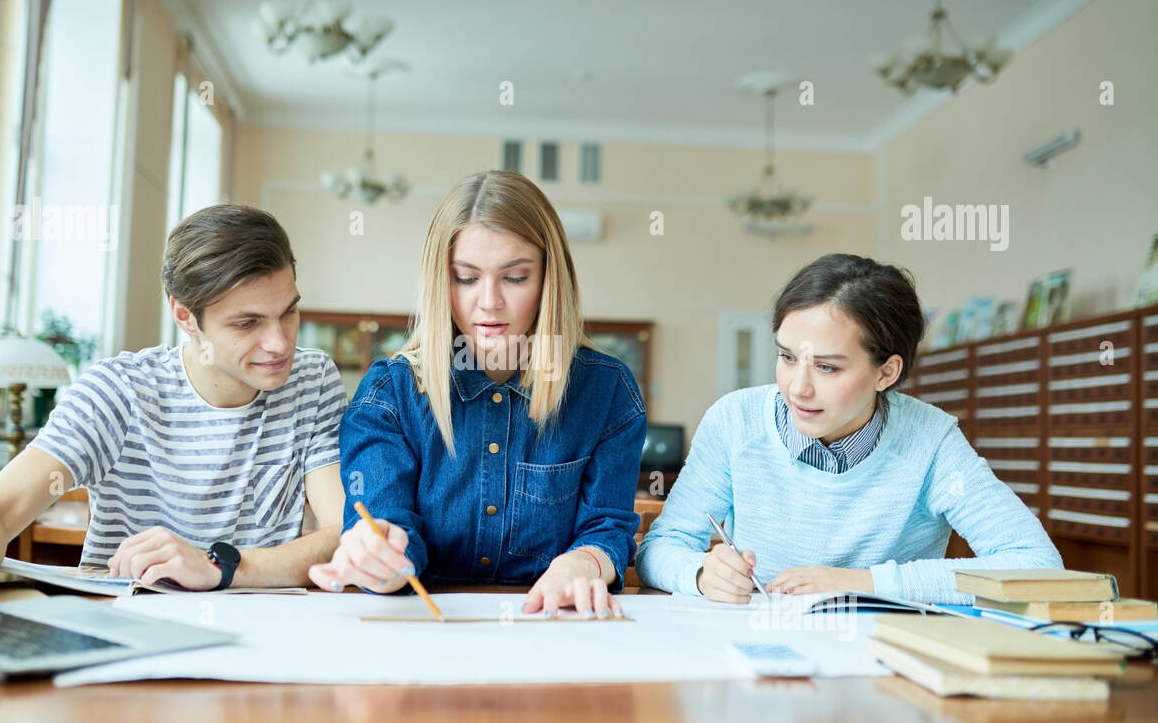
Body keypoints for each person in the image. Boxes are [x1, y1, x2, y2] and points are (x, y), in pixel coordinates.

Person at [0, 203, 347, 591]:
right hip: (126, 629)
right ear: (184, 315)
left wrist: (220, 568)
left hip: (265, 637)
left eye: (288, 312)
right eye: (247, 323)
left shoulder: (312, 381)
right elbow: (0, 510)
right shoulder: (118, 391)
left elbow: (342, 534)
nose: (280, 343)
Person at [307, 170, 646, 617]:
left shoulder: (606, 391)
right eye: (466, 278)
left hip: (551, 631)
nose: (488, 302)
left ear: (549, 280)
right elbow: (386, 520)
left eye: (516, 277)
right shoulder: (391, 392)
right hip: (424, 634)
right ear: (439, 281)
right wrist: (382, 560)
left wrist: (584, 561)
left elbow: (608, 525)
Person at [636, 253, 1062, 605]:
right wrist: (699, 573)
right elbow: (659, 547)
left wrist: (863, 583)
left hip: (881, 662)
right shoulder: (735, 421)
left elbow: (1038, 567)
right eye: (787, 357)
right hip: (758, 652)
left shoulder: (930, 440)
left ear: (886, 373)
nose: (798, 387)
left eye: (827, 367)